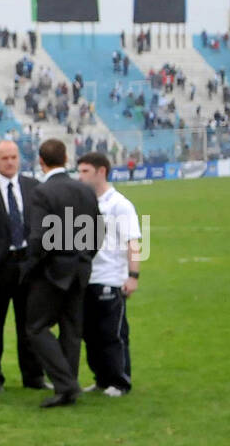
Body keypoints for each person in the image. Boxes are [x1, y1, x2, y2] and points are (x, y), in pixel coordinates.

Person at [22, 138, 102, 407]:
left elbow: (39, 238)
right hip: (79, 269)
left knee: (36, 327)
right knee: (71, 329)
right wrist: (84, 258)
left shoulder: (42, 192)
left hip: (52, 271)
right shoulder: (85, 190)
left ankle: (66, 384)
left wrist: (30, 267)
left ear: (41, 161)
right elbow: (97, 232)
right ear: (66, 158)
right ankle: (68, 386)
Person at [0, 140, 45, 391]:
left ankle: (33, 377)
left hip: (28, 265)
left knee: (29, 325)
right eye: (4, 158)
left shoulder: (33, 187)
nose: (10, 162)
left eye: (13, 157)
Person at [76, 152, 141, 396]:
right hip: (86, 278)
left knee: (112, 333)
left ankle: (120, 381)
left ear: (101, 172)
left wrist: (133, 276)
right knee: (89, 334)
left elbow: (132, 242)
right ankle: (102, 379)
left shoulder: (119, 204)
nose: (80, 177)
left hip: (111, 278)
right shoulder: (83, 202)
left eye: (85, 171)